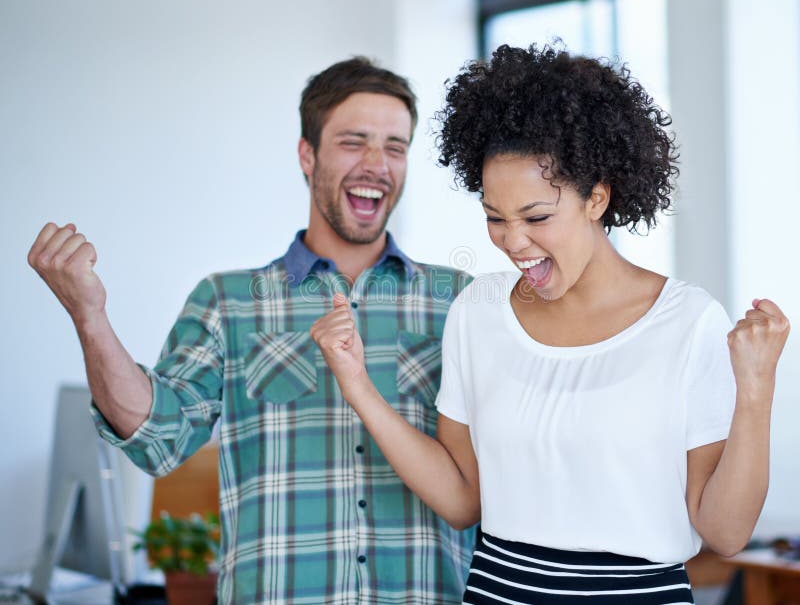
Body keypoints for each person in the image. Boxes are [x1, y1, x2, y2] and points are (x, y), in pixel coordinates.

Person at [310, 44, 791, 604]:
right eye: (495, 217)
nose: (514, 241)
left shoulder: (687, 322)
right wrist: (357, 386)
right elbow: (462, 499)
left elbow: (726, 533)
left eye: (536, 216)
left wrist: (756, 390)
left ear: (597, 199)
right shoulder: (478, 312)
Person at [27, 57, 475, 604]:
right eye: (354, 142)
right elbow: (157, 441)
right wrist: (89, 316)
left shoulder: (457, 301)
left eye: (395, 147)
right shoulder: (227, 302)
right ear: (307, 155)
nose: (377, 164)